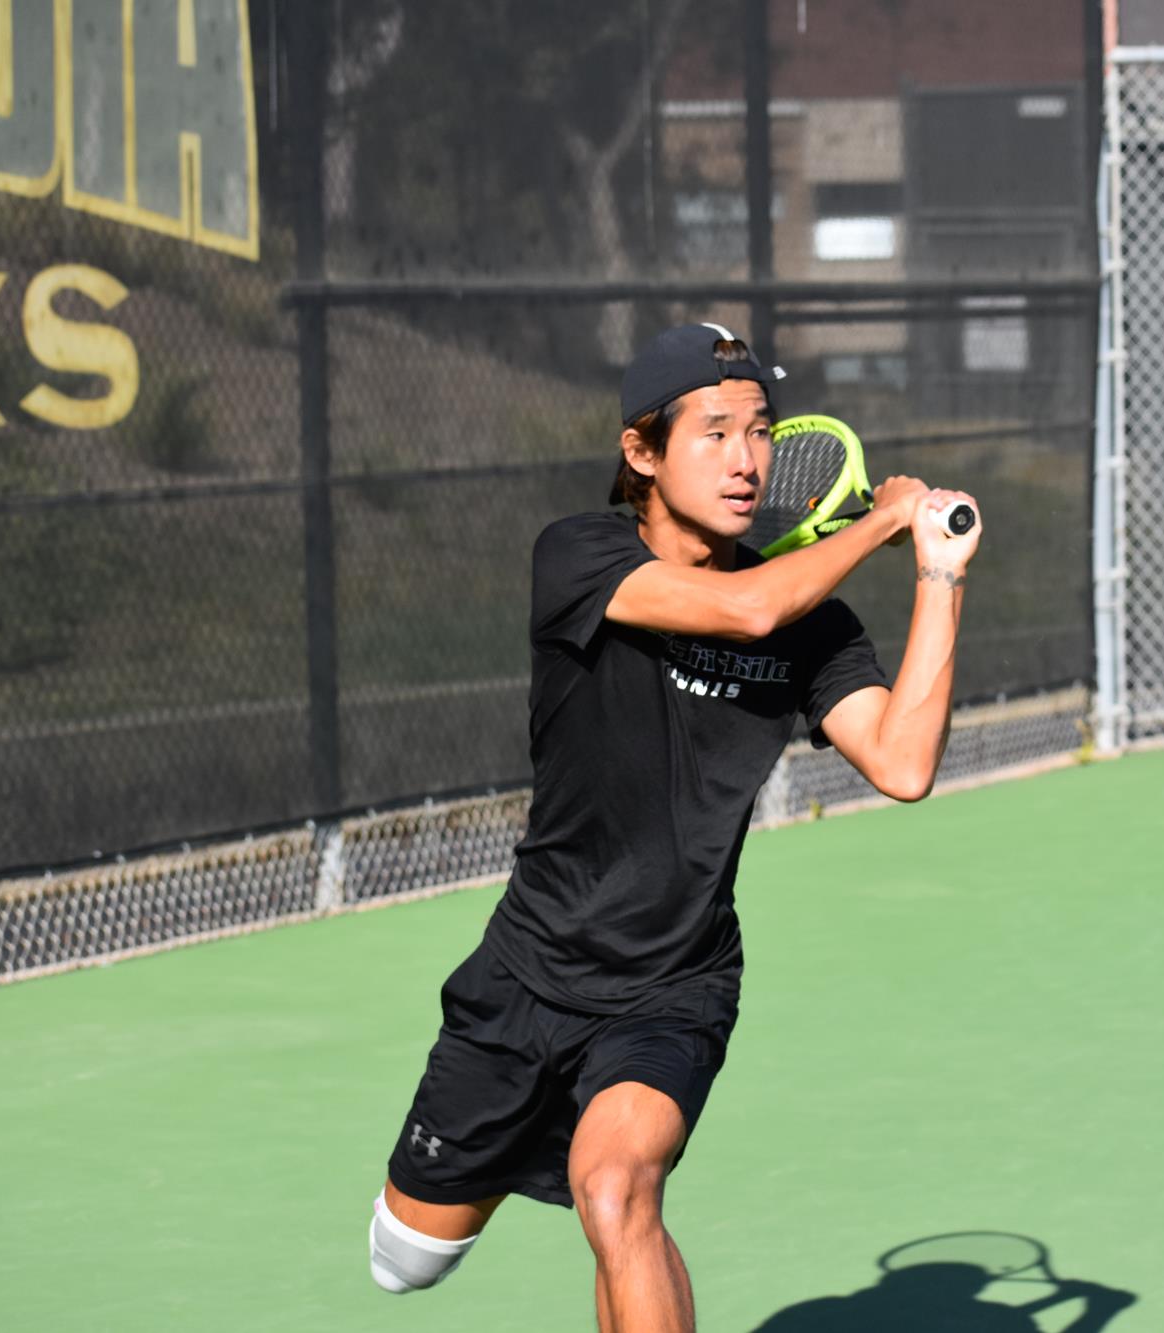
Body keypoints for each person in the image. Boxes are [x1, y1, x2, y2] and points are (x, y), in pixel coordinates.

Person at [368, 322, 980, 1333]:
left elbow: (903, 763)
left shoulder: (813, 625)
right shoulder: (579, 554)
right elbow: (740, 613)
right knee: (407, 1258)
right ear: (641, 452)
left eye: (761, 431)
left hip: (672, 984)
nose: (746, 458)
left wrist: (938, 575)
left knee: (616, 1193)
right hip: (524, 975)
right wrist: (875, 526)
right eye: (714, 431)